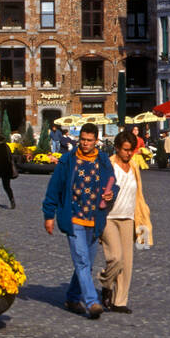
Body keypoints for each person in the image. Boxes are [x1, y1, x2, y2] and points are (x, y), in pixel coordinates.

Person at [42, 123, 115, 319]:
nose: (85, 143)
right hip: (73, 217)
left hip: (94, 219)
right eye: (82, 139)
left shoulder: (103, 160)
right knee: (82, 261)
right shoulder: (68, 161)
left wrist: (110, 194)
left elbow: (112, 183)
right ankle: (92, 302)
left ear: (96, 141)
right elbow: (54, 189)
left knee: (86, 263)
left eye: (89, 140)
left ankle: (73, 297)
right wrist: (49, 215)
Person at [98, 131, 146, 313]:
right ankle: (106, 283)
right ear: (117, 148)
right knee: (115, 257)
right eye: (126, 150)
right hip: (109, 216)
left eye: (131, 150)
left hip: (128, 217)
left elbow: (139, 193)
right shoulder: (108, 165)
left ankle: (120, 301)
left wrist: (142, 217)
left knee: (127, 262)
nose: (129, 154)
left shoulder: (134, 166)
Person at [0, 131, 15, 209]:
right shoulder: (6, 146)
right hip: (6, 168)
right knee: (7, 186)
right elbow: (10, 157)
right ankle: (12, 200)